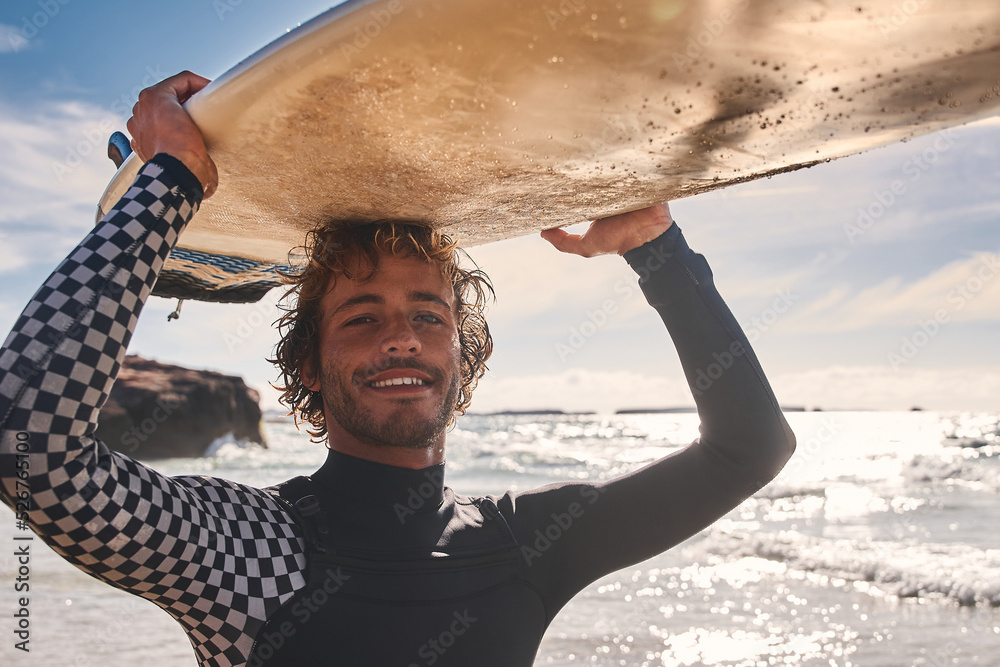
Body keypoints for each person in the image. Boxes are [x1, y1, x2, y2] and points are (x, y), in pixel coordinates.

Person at [0, 72, 795, 666]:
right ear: (309, 365)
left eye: (428, 315)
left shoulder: (528, 541)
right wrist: (168, 185)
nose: (402, 338)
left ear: (462, 355)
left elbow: (750, 448)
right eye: (362, 317)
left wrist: (656, 248)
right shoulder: (245, 548)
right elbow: (29, 444)